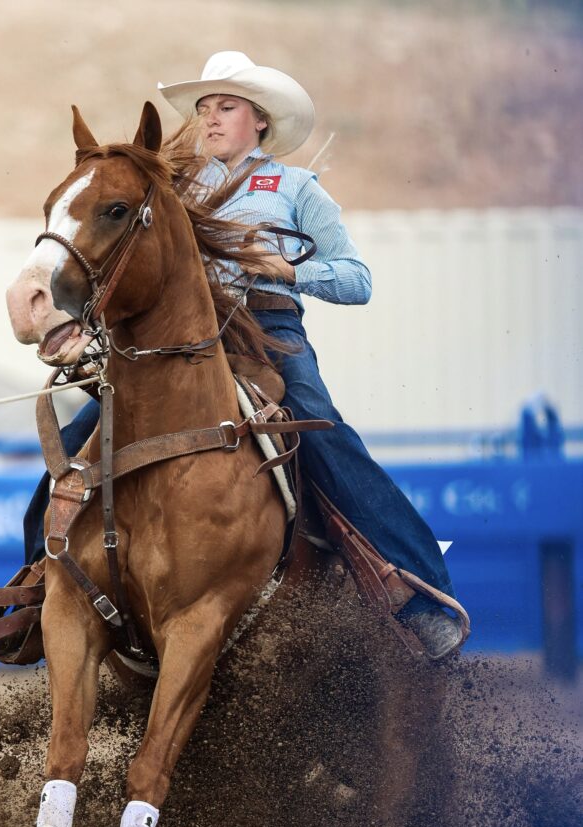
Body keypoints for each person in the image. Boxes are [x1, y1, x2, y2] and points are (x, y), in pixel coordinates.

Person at [24, 51, 465, 660]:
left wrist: (286, 266)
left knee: (326, 436)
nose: (209, 119)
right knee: (75, 446)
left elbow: (357, 279)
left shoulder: (296, 188)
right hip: (175, 341)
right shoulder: (170, 186)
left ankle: (420, 595)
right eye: (204, 108)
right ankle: (33, 595)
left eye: (225, 107)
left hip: (269, 331)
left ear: (259, 120)